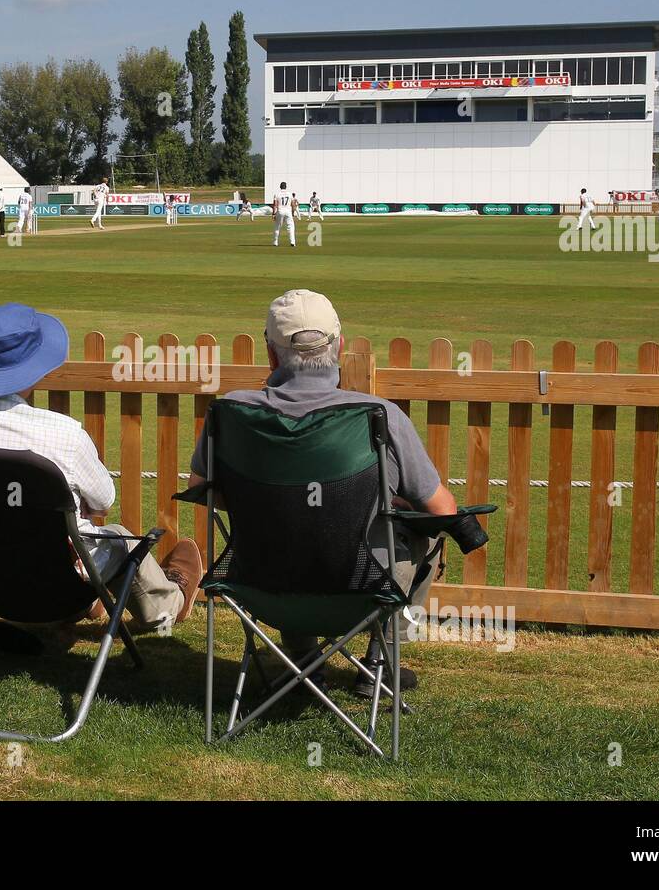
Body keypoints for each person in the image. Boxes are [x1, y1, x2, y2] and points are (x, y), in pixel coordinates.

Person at [186, 290, 459, 694]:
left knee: (289, 526)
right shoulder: (379, 415)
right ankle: (382, 662)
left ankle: (302, 662)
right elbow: (443, 510)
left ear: (271, 354)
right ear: (339, 347)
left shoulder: (231, 412)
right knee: (430, 533)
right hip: (363, 588)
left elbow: (201, 491)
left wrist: (270, 499)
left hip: (262, 584)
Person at [0, 303, 204, 633]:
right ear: (34, 368)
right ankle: (169, 605)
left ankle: (86, 600)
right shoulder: (62, 434)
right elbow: (103, 501)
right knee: (120, 538)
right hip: (58, 578)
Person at [272, 180, 295, 247]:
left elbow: (275, 205)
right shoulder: (290, 194)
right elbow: (293, 204)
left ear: (280, 187)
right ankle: (292, 242)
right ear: (286, 187)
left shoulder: (277, 194)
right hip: (288, 211)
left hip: (280, 211)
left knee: (277, 227)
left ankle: (275, 242)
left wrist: (273, 214)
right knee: (290, 227)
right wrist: (293, 213)